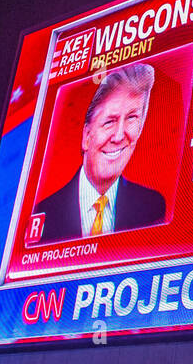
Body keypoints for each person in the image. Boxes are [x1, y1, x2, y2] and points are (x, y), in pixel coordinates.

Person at [33, 62, 165, 242]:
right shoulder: (42, 215)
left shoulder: (153, 207)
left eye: (132, 118)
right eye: (109, 122)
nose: (119, 136)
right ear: (86, 136)